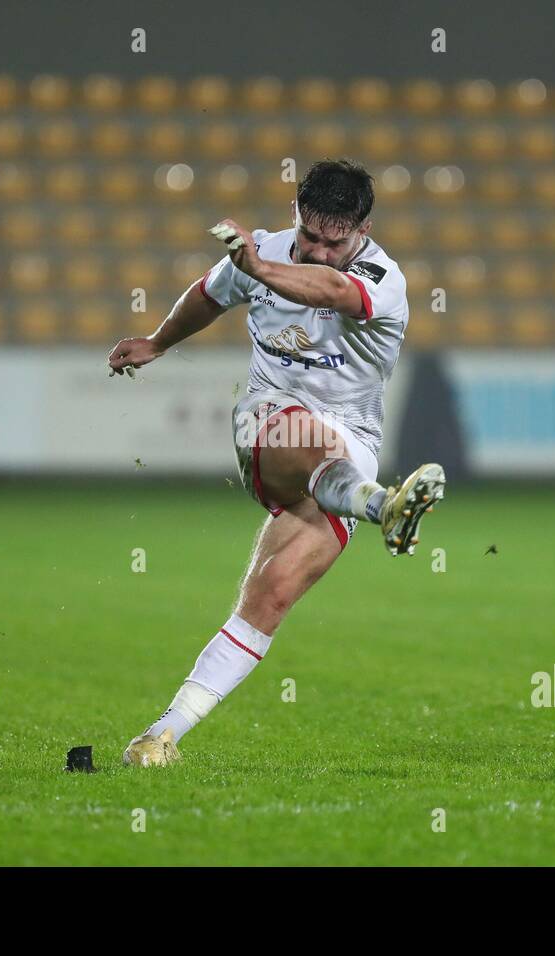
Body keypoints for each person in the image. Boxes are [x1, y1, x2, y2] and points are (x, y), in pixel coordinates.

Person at [106, 159, 445, 767]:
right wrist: (157, 341)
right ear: (296, 212)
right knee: (302, 431)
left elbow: (337, 293)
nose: (315, 251)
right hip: (266, 423)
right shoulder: (260, 251)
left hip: (351, 449)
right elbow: (210, 295)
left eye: (331, 241)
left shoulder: (380, 276)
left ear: (361, 230)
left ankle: (162, 735)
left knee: (271, 595)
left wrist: (260, 268)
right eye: (308, 235)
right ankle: (382, 508)